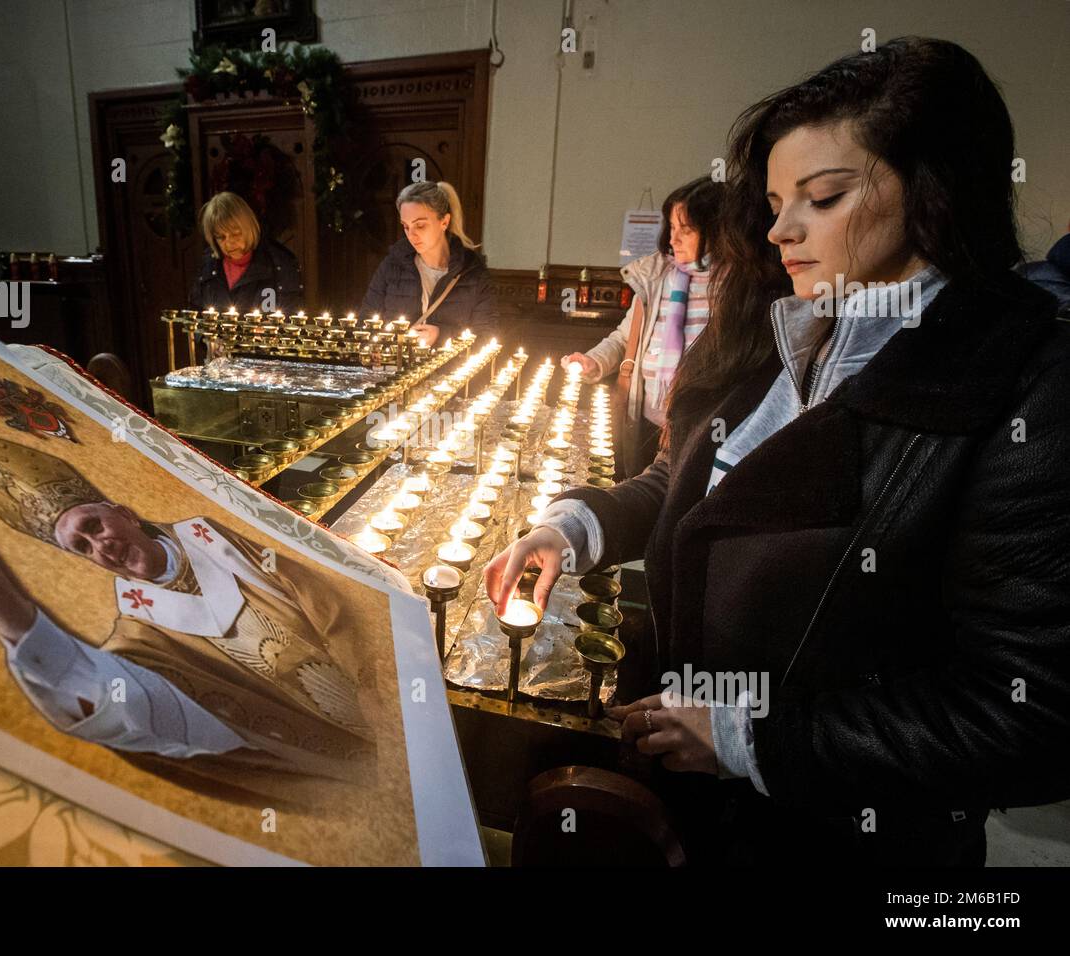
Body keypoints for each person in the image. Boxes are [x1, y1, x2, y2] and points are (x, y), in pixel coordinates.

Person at [485, 37, 1070, 865]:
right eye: (773, 199)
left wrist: (756, 739)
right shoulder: (777, 326)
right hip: (687, 788)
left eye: (823, 197)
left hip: (838, 835)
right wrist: (574, 528)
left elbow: (1029, 713)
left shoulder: (1021, 385)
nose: (781, 227)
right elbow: (692, 482)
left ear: (935, 193)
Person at [0, 430, 375, 807]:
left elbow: (327, 595)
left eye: (97, 527)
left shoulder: (216, 534)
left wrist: (382, 690)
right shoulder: (140, 637)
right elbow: (115, 704)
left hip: (382, 692)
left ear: (122, 512)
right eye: (82, 547)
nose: (99, 547)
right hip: (347, 767)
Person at [562, 177, 724, 479]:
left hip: (700, 428)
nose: (673, 239)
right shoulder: (658, 280)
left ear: (717, 231)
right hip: (645, 419)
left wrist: (686, 416)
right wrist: (592, 360)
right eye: (672, 228)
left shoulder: (733, 291)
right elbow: (625, 337)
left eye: (685, 230)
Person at [360, 180, 497, 346]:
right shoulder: (393, 265)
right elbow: (366, 322)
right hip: (398, 369)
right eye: (406, 226)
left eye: (420, 225)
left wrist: (442, 335)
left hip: (450, 370)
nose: (411, 235)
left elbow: (487, 338)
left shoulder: (472, 272)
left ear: (444, 222)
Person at [188, 191, 304, 314]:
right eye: (221, 237)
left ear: (248, 227)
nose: (229, 243)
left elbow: (291, 318)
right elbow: (196, 315)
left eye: (235, 234)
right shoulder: (208, 266)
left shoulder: (279, 263)